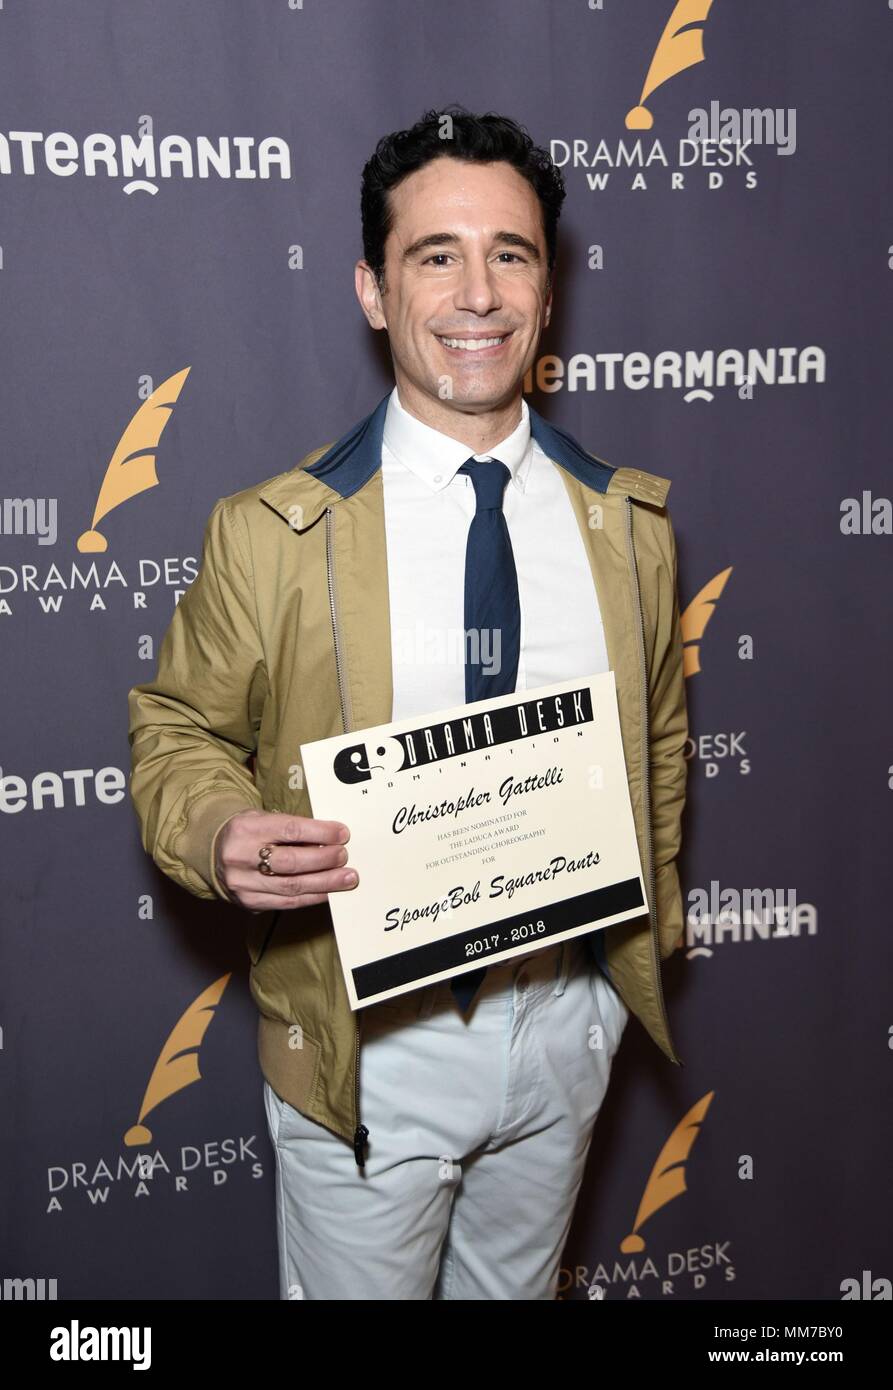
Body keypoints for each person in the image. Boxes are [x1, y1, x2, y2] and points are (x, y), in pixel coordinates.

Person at [127, 105, 688, 1300]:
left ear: (546, 288)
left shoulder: (627, 523)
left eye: (510, 252)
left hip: (563, 1028)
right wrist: (216, 830)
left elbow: (659, 739)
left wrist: (629, 942)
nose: (476, 292)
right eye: (435, 255)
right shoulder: (271, 531)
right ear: (374, 292)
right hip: (371, 1047)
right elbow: (178, 730)